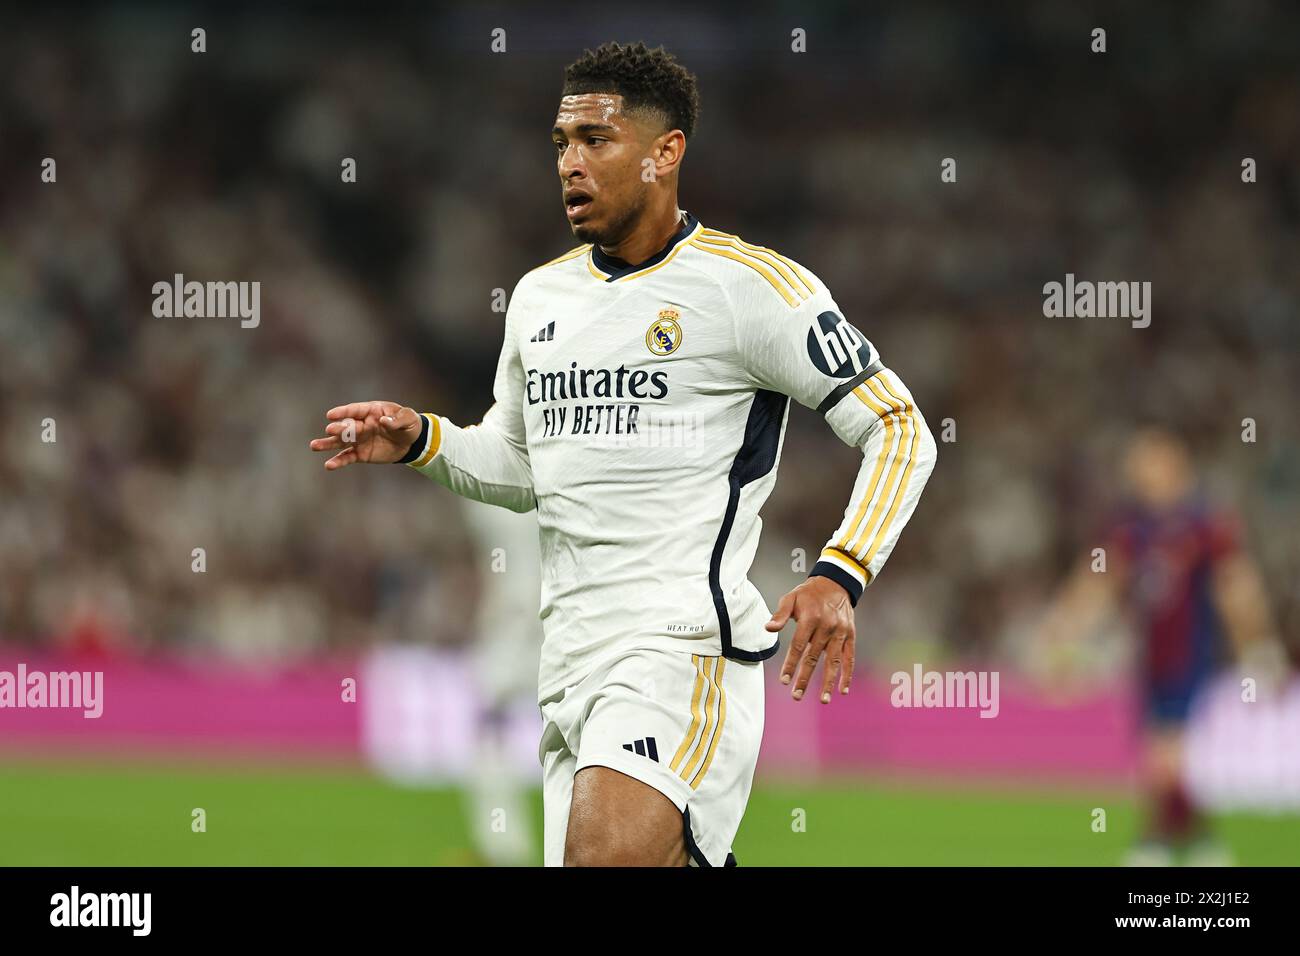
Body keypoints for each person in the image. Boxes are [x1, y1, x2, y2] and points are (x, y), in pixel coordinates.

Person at [311, 41, 936, 866]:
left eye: (595, 141)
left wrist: (840, 571)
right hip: (567, 663)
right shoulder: (541, 297)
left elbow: (899, 427)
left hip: (680, 649)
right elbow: (524, 466)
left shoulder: (749, 289)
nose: (570, 163)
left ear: (665, 152)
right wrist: (423, 440)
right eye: (561, 143)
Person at [1038, 426, 1283, 865]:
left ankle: (1155, 841)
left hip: (1191, 653)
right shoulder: (1131, 526)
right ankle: (1203, 843)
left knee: (1164, 756)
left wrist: (1258, 645)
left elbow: (1236, 587)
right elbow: (1098, 581)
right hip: (1149, 655)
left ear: (1172, 464)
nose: (1136, 472)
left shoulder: (1205, 523)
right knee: (1160, 756)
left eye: (1146, 461)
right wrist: (1063, 628)